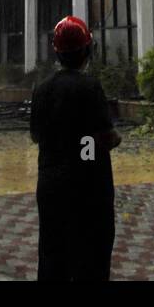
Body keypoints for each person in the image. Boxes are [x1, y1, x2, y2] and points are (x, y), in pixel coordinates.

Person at [30, 15, 121, 282]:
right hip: (89, 187)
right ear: (86, 50)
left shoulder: (42, 89)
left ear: (56, 51)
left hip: (51, 186)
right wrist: (113, 139)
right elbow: (104, 135)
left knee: (52, 255)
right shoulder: (90, 87)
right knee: (93, 257)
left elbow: (36, 135)